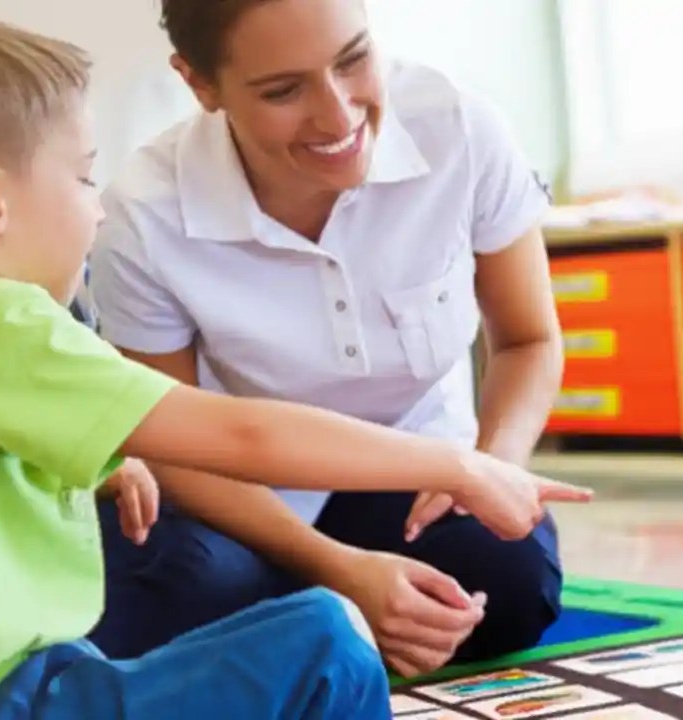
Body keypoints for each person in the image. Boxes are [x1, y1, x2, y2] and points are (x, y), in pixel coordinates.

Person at [0, 9, 590, 719]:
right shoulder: (2, 316)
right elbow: (242, 438)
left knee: (505, 575)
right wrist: (459, 469)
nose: (95, 212)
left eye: (353, 59)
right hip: (12, 687)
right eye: (84, 178)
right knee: (324, 637)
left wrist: (107, 460)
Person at [84, 0, 567, 676]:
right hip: (244, 496)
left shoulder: (458, 126)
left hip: (422, 472)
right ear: (199, 84)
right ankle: (317, 619)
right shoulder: (142, 213)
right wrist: (339, 571)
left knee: (507, 584)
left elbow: (527, 341)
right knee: (181, 591)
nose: (339, 116)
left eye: (354, 60)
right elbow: (170, 443)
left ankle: (308, 631)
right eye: (283, 90)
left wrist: (495, 465)